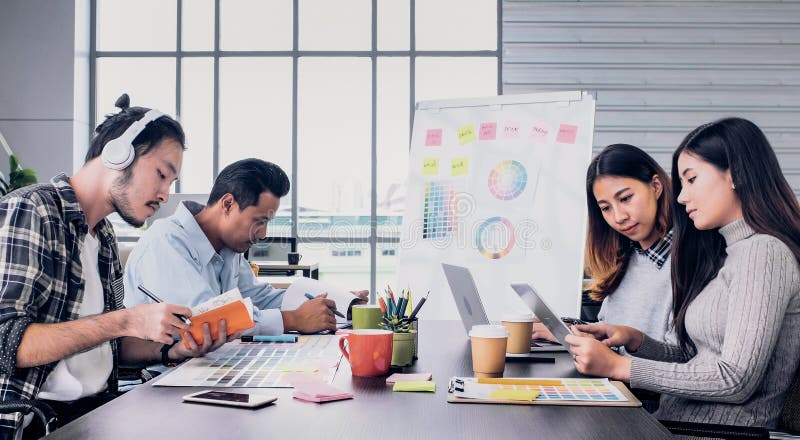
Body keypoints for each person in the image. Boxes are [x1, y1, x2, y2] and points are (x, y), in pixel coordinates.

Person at [0, 95, 230, 439]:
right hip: (39, 425)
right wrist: (127, 319)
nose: (166, 194)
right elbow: (7, 345)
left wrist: (170, 349)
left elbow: (105, 344)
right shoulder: (31, 209)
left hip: (98, 413)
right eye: (162, 175)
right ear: (117, 154)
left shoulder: (104, 236)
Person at [567, 117, 800, 428]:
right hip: (671, 423)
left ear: (735, 175)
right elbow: (695, 361)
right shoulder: (731, 252)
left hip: (704, 432)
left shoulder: (764, 253)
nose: (680, 196)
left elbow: (735, 379)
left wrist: (622, 366)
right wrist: (637, 340)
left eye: (691, 180)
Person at [124, 158, 368, 336]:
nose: (263, 234)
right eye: (259, 221)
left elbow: (259, 297)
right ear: (228, 204)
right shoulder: (167, 242)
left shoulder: (227, 248)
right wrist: (294, 319)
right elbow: (205, 320)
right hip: (159, 383)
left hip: (207, 368)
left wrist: (337, 301)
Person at [533, 144, 674, 345]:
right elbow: (612, 337)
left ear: (656, 186)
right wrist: (567, 331)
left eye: (626, 198)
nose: (618, 217)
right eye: (606, 208)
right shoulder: (627, 258)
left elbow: (684, 363)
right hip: (611, 376)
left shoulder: (689, 261)